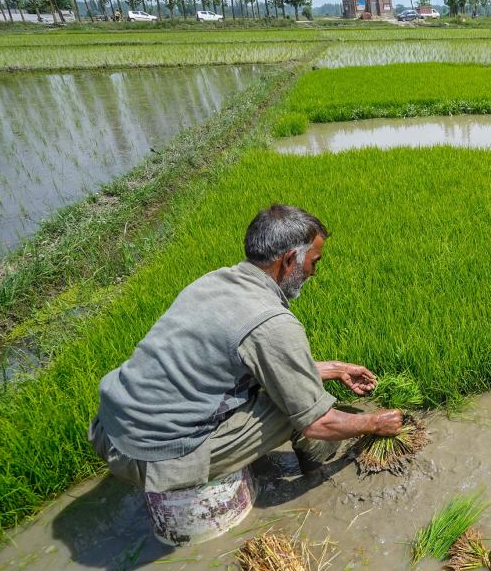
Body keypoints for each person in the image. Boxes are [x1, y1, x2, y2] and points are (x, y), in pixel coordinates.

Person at [89, 204, 403, 493]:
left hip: (112, 430)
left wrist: (333, 369)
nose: (314, 272)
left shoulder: (214, 282)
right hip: (153, 458)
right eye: (314, 261)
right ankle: (316, 472)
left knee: (288, 393)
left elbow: (240, 363)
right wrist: (374, 422)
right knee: (295, 409)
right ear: (290, 259)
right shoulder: (271, 323)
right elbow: (316, 422)